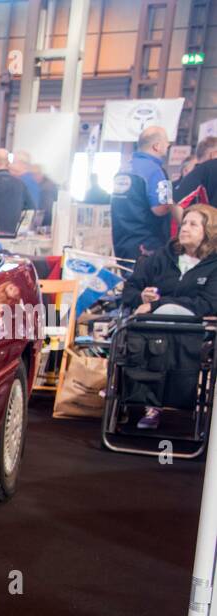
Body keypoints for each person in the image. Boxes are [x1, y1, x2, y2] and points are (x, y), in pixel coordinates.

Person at [120, 202, 217, 427]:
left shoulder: (213, 265)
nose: (184, 228)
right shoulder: (161, 257)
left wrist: (157, 305)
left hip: (194, 331)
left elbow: (208, 304)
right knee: (157, 323)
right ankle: (148, 399)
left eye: (193, 224)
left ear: (209, 232)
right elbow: (129, 290)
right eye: (183, 223)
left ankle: (143, 394)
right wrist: (141, 298)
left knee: (166, 312)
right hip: (153, 332)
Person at [111, 125, 173, 262]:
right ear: (157, 146)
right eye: (166, 142)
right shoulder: (155, 171)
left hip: (121, 241)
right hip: (147, 244)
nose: (168, 145)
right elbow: (160, 209)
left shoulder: (123, 169)